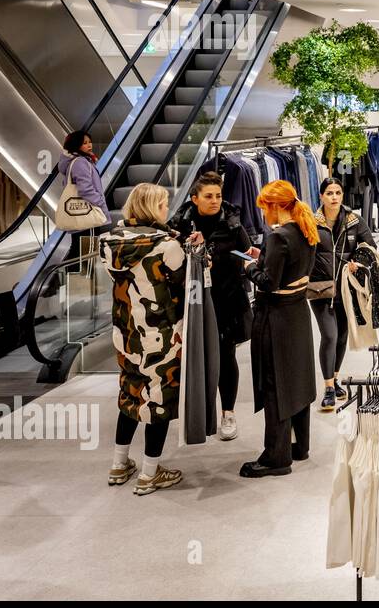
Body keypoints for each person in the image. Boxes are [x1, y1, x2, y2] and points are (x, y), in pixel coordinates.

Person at [101, 183, 188, 495]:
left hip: (124, 332)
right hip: (159, 334)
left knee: (130, 394)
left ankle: (118, 463)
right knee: (158, 401)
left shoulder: (108, 241)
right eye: (163, 205)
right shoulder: (166, 245)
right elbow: (182, 283)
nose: (167, 210)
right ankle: (150, 473)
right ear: (154, 208)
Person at [241, 180, 319, 478]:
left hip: (275, 319)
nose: (263, 215)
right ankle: (299, 446)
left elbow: (268, 282)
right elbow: (288, 271)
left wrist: (249, 267)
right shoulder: (305, 229)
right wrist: (263, 258)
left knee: (276, 385)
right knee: (298, 380)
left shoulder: (278, 237)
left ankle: (276, 457)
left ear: (274, 206)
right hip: (298, 314)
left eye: (264, 208)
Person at [170, 171, 255, 440]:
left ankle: (227, 413)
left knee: (226, 356)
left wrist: (240, 258)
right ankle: (197, 415)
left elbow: (245, 252)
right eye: (209, 196)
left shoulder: (231, 222)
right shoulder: (180, 225)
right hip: (192, 300)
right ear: (194, 198)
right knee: (193, 356)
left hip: (227, 298)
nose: (215, 200)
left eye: (218, 196)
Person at [311, 177, 375, 412]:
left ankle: (335, 378)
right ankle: (328, 388)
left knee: (341, 337)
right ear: (321, 196)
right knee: (329, 335)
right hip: (320, 288)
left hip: (347, 290)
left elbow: (370, 246)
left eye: (338, 192)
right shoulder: (311, 222)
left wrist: (357, 260)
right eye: (329, 193)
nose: (334, 197)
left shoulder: (353, 220)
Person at [57, 130, 109, 266]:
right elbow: (85, 189)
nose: (89, 145)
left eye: (89, 142)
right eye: (84, 143)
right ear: (76, 145)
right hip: (87, 212)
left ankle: (76, 282)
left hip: (79, 213)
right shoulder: (81, 162)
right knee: (87, 251)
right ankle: (82, 284)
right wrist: (99, 202)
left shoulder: (77, 161)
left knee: (78, 249)